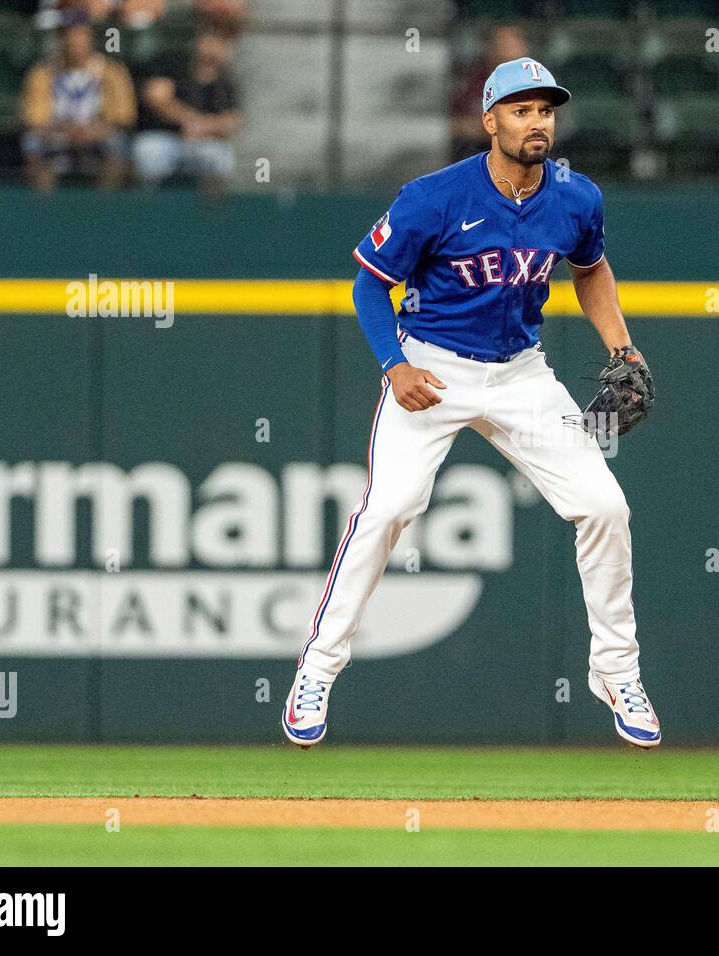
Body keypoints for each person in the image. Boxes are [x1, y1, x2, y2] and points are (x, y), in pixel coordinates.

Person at [283, 57, 662, 750]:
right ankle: (318, 667)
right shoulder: (434, 197)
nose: (536, 121)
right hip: (430, 368)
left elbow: (592, 269)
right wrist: (393, 366)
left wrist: (623, 349)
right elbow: (369, 285)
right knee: (390, 509)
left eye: (545, 110)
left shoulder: (577, 197)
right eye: (520, 110)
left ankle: (616, 671)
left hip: (522, 375)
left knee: (605, 506)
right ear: (490, 121)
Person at [20, 10, 137, 190]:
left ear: (91, 38)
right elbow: (35, 119)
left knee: (118, 142)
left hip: (99, 134)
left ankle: (107, 205)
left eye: (81, 34)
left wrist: (92, 132)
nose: (75, 41)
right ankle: (43, 208)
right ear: (60, 39)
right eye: (68, 35)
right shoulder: (42, 73)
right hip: (57, 133)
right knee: (32, 143)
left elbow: (123, 117)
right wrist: (67, 132)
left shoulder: (113, 72)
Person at [133, 28, 241, 188]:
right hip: (166, 136)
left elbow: (232, 121)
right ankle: (147, 206)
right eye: (208, 43)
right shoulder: (173, 65)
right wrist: (190, 120)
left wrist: (203, 127)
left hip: (204, 140)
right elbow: (156, 97)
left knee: (221, 157)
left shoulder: (226, 82)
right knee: (147, 151)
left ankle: (211, 211)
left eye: (218, 45)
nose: (212, 51)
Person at [449, 25, 529, 160]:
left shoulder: (536, 80)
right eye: (501, 44)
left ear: (523, 48)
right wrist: (472, 127)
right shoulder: (474, 81)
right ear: (490, 49)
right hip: (477, 151)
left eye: (511, 44)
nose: (506, 51)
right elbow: (451, 123)